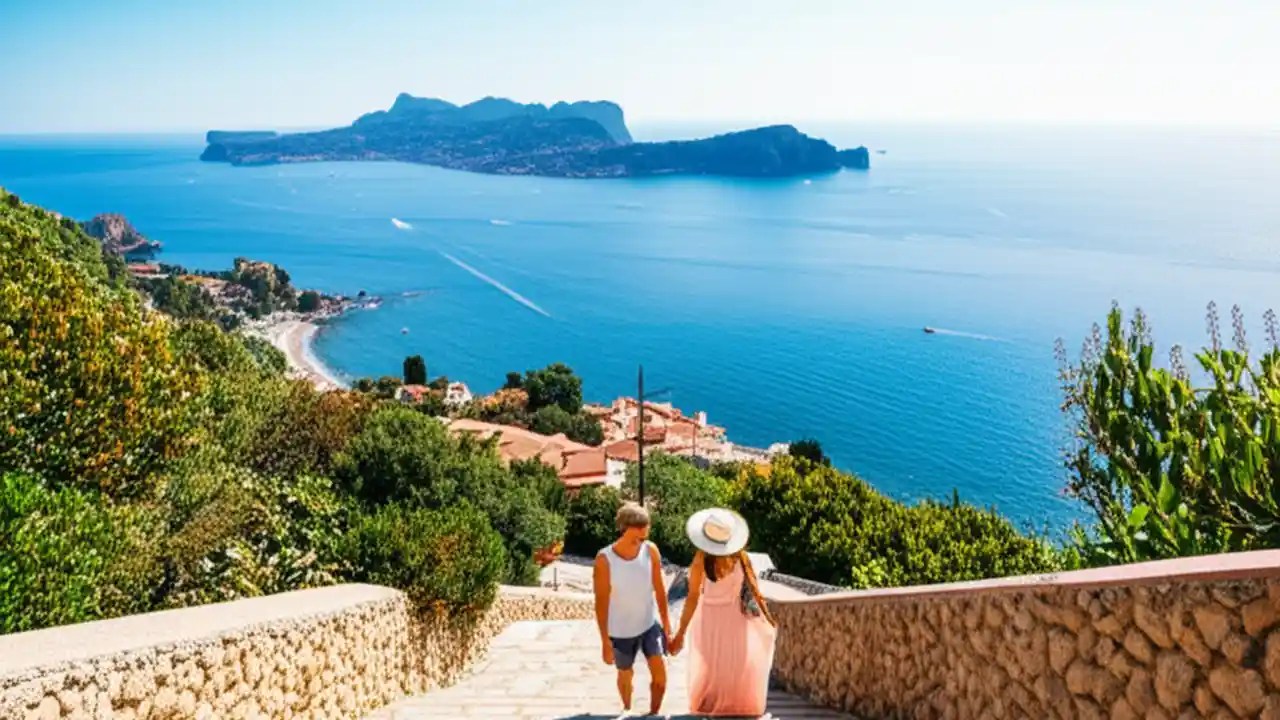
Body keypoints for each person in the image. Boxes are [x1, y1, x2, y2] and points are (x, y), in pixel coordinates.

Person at [668, 507, 777, 718]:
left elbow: (692, 597)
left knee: (712, 665)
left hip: (708, 618)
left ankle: (712, 703)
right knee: (736, 662)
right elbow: (756, 590)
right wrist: (768, 618)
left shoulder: (701, 559)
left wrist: (681, 632)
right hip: (736, 618)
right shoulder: (741, 558)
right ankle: (736, 704)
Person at [593, 502, 673, 716]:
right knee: (625, 674)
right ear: (624, 528)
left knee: (660, 673)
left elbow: (660, 589)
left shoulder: (650, 551)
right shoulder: (604, 560)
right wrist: (604, 641)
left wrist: (667, 625)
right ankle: (627, 709)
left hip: (649, 624)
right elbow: (601, 603)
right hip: (620, 631)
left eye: (644, 537)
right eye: (637, 536)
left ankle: (653, 714)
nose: (641, 541)